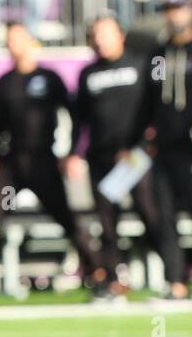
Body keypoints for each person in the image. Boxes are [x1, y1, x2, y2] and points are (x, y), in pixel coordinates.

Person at [0, 23, 103, 307]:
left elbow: (74, 117)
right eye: (9, 41)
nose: (14, 45)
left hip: (43, 162)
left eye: (19, 39)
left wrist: (71, 153)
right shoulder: (4, 82)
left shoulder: (50, 78)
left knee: (69, 220)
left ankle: (100, 276)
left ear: (31, 42)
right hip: (12, 164)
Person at [69, 15, 162, 301]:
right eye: (96, 35)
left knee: (152, 215)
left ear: (120, 35)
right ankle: (112, 280)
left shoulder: (140, 63)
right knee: (107, 223)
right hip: (101, 157)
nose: (101, 40)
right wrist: (73, 153)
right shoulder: (89, 74)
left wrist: (142, 144)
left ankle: (175, 276)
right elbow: (79, 119)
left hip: (136, 156)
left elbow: (154, 109)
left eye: (107, 34)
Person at [141, 0, 192, 300]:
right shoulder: (158, 53)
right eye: (168, 10)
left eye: (178, 9)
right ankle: (176, 282)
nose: (173, 15)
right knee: (162, 215)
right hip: (165, 147)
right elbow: (151, 99)